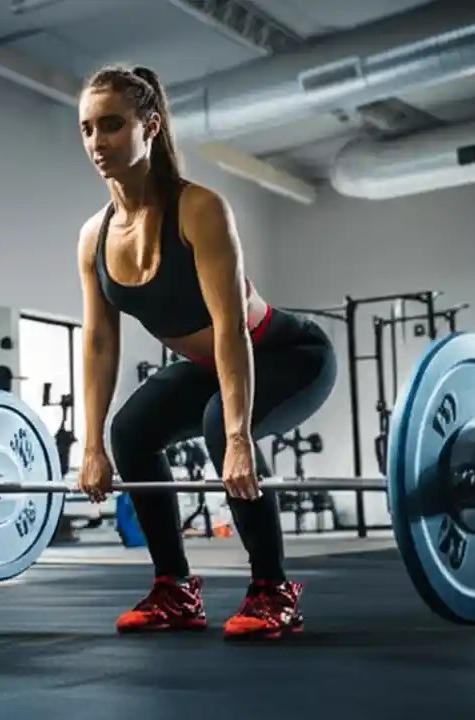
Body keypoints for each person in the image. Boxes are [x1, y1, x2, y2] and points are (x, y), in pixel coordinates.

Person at [74, 65, 338, 640]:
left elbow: (230, 329)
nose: (98, 142)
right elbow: (98, 342)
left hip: (288, 354)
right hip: (210, 366)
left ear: (151, 124)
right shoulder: (93, 236)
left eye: (113, 125)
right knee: (131, 431)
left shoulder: (199, 209)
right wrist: (92, 444)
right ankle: (175, 588)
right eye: (88, 129)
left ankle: (273, 590)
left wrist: (239, 438)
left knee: (223, 422)